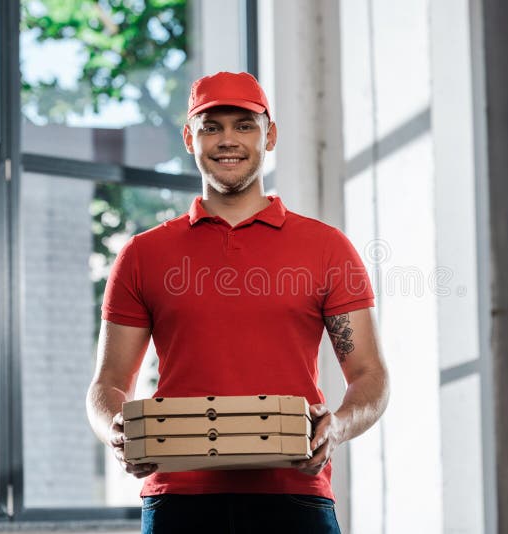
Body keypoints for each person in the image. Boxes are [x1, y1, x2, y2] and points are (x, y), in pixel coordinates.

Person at [86, 71, 389, 534]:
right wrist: (115, 432)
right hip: (178, 500)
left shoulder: (327, 248)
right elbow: (108, 382)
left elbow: (370, 375)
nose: (228, 140)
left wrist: (340, 427)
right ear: (191, 138)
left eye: (244, 124)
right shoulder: (142, 254)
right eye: (212, 126)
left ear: (270, 136)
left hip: (294, 493)